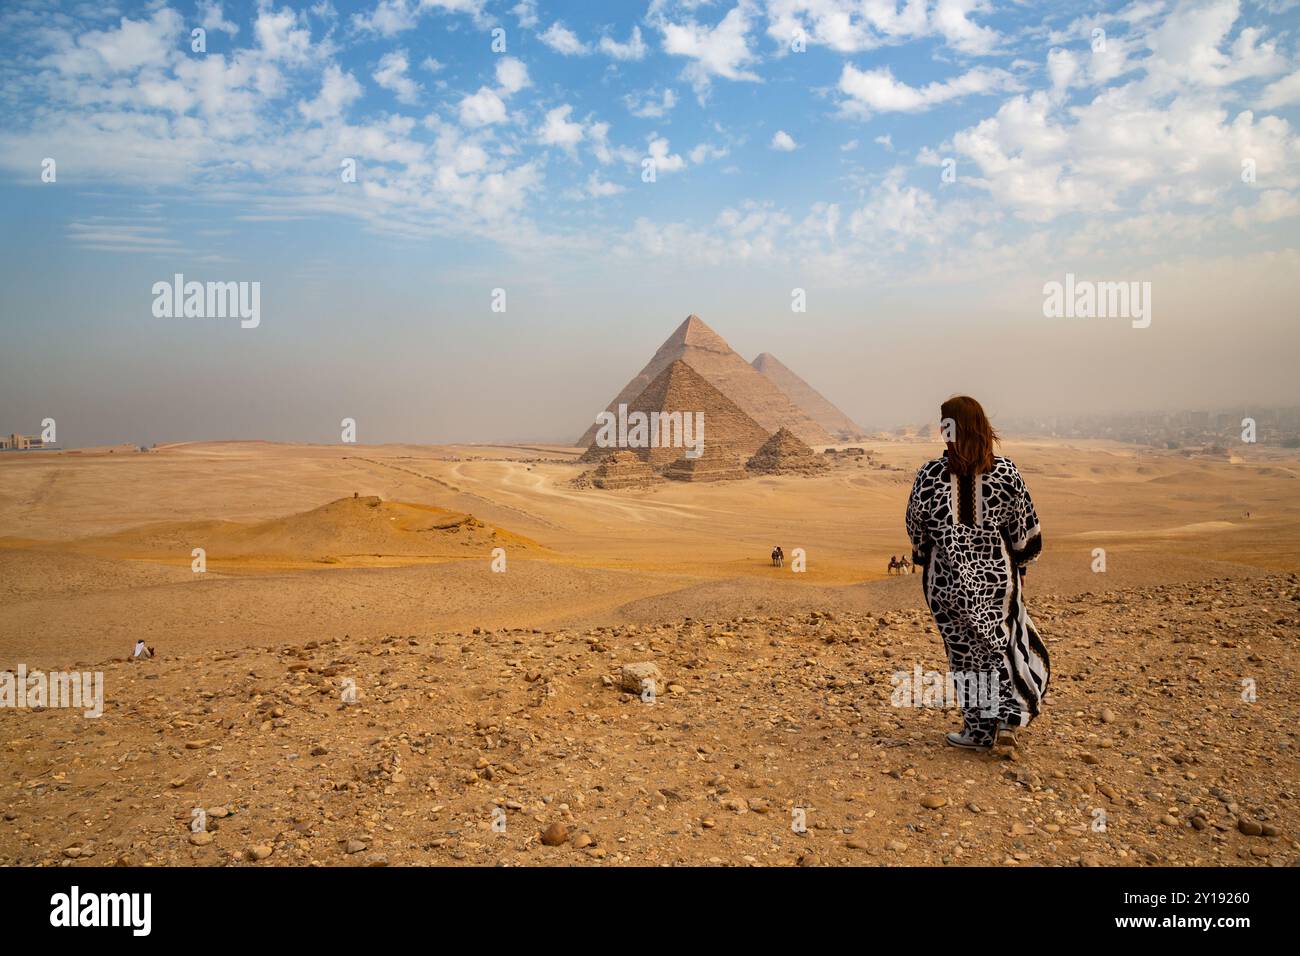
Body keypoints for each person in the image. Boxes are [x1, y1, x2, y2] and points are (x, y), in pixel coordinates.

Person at [905, 396, 1050, 750]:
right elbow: (1025, 532)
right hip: (997, 583)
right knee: (1002, 648)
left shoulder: (929, 475)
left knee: (965, 656)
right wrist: (1021, 564)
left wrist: (927, 556)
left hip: (947, 583)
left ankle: (977, 732)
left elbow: (916, 530)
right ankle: (1007, 721)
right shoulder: (1006, 473)